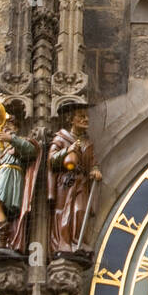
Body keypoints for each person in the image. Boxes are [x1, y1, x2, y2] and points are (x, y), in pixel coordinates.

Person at [0, 113, 39, 253]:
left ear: (16, 128)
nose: (4, 129)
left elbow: (31, 151)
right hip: (4, 178)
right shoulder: (5, 152)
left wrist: (11, 138)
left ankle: (1, 240)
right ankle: (1, 240)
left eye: (8, 126)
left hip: (12, 179)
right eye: (3, 127)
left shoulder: (20, 142)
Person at [47, 105, 102, 256]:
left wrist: (95, 169)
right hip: (65, 182)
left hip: (81, 182)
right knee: (65, 211)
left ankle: (77, 242)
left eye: (86, 116)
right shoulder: (60, 138)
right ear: (71, 119)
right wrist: (68, 150)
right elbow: (51, 160)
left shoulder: (87, 143)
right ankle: (63, 244)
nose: (86, 119)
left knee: (80, 210)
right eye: (81, 116)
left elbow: (93, 162)